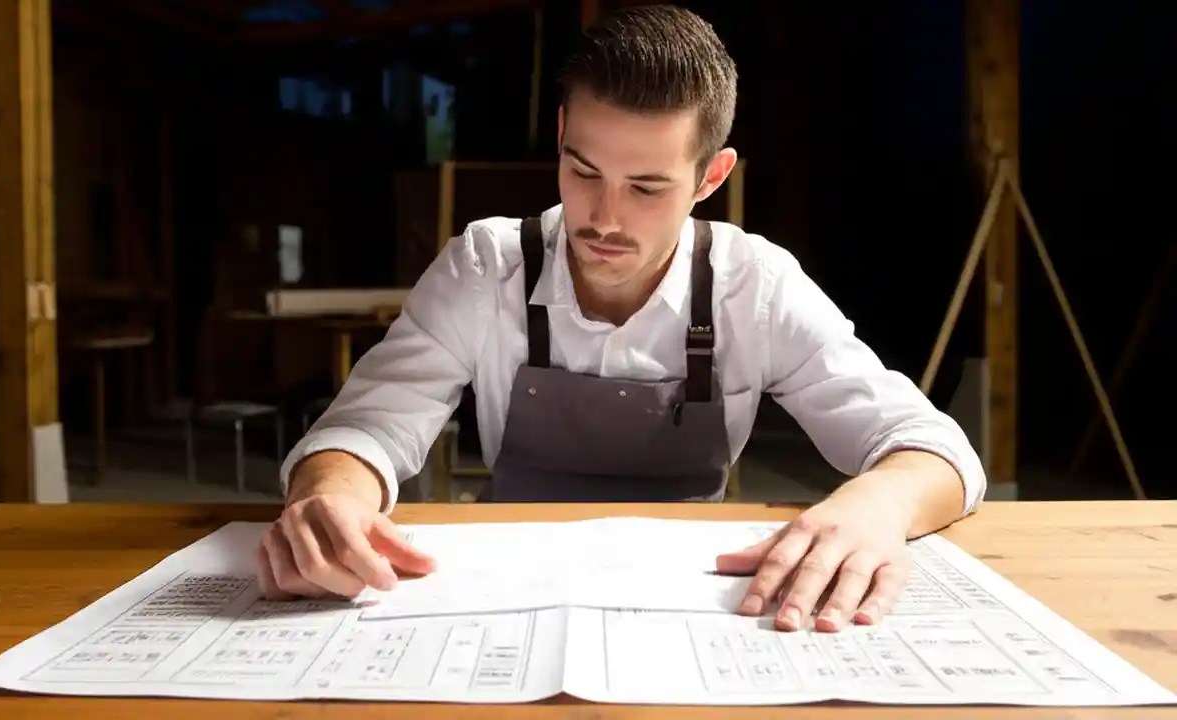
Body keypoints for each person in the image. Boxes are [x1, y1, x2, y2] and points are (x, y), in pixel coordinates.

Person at [258, 4, 986, 633]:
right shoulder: (488, 265)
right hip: (507, 592)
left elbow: (932, 447)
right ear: (562, 132)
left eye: (646, 187)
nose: (604, 219)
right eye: (583, 172)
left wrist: (877, 505)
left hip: (703, 600)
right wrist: (331, 497)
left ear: (710, 177)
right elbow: (365, 427)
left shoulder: (754, 286)